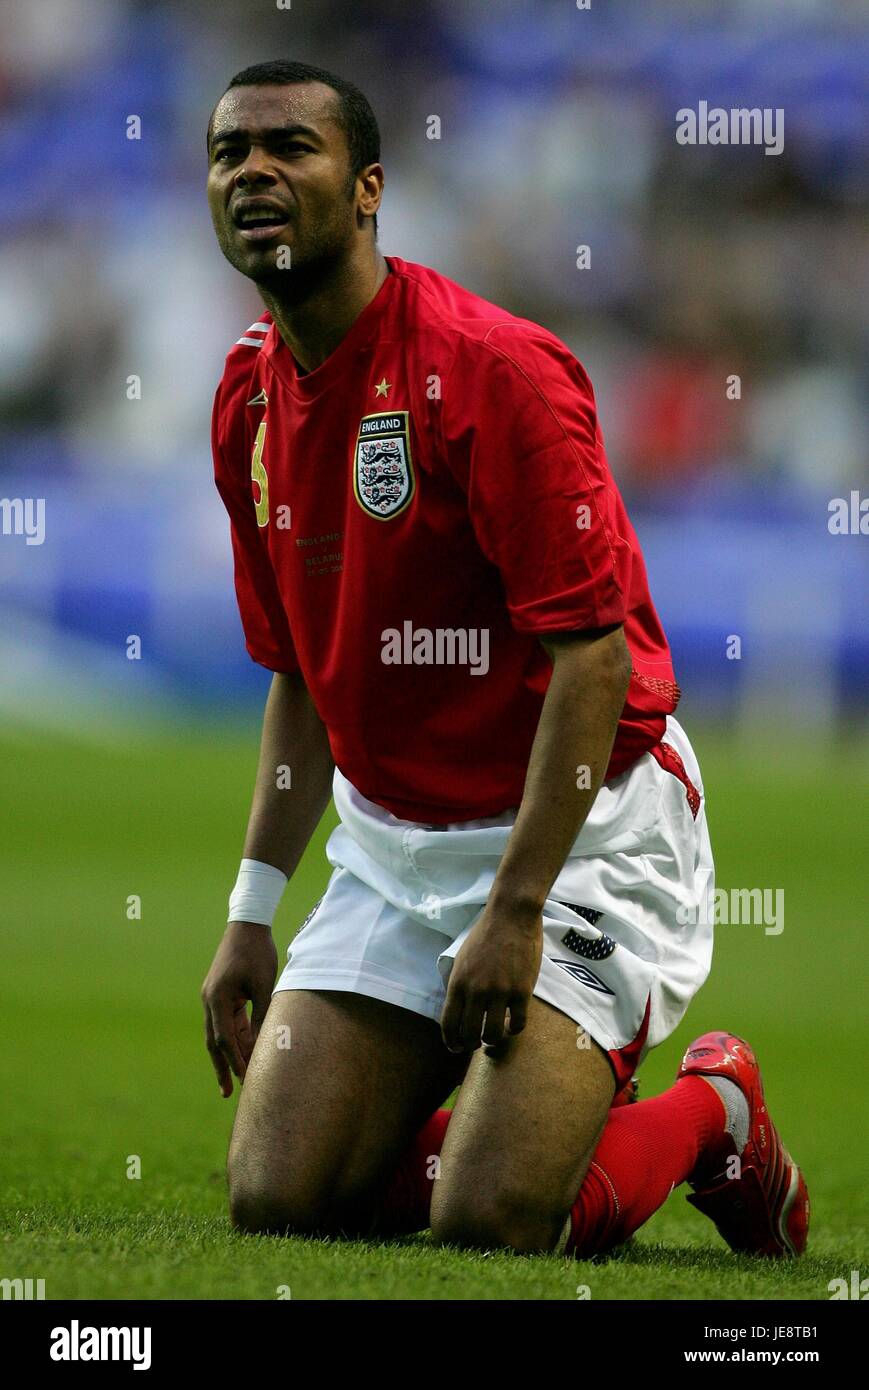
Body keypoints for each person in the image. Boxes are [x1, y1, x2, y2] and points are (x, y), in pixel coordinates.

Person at [201, 60, 808, 1258]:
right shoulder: (246, 402)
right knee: (280, 1196)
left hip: (579, 839)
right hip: (394, 850)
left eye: (290, 148)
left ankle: (711, 1114)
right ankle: (501, 1109)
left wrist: (517, 906)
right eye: (228, 152)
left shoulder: (489, 369)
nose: (253, 171)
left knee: (490, 1217)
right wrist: (251, 910)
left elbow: (590, 659)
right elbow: (300, 677)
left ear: (368, 188)